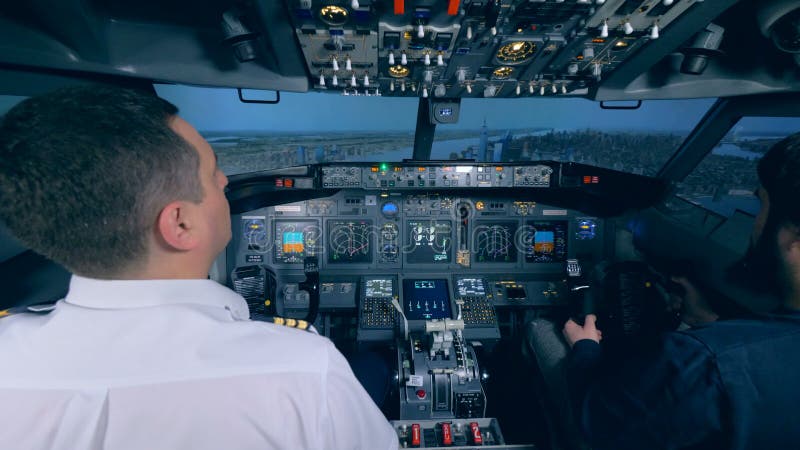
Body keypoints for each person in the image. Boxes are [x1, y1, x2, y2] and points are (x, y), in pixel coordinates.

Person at [0, 86, 398, 450]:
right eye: (212, 174)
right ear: (180, 224)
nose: (225, 181)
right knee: (380, 364)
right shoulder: (304, 370)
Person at [562, 132, 800, 449]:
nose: (754, 225)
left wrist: (586, 349)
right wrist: (707, 323)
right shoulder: (717, 354)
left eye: (761, 208)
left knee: (539, 334)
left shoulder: (702, 360)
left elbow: (599, 421)